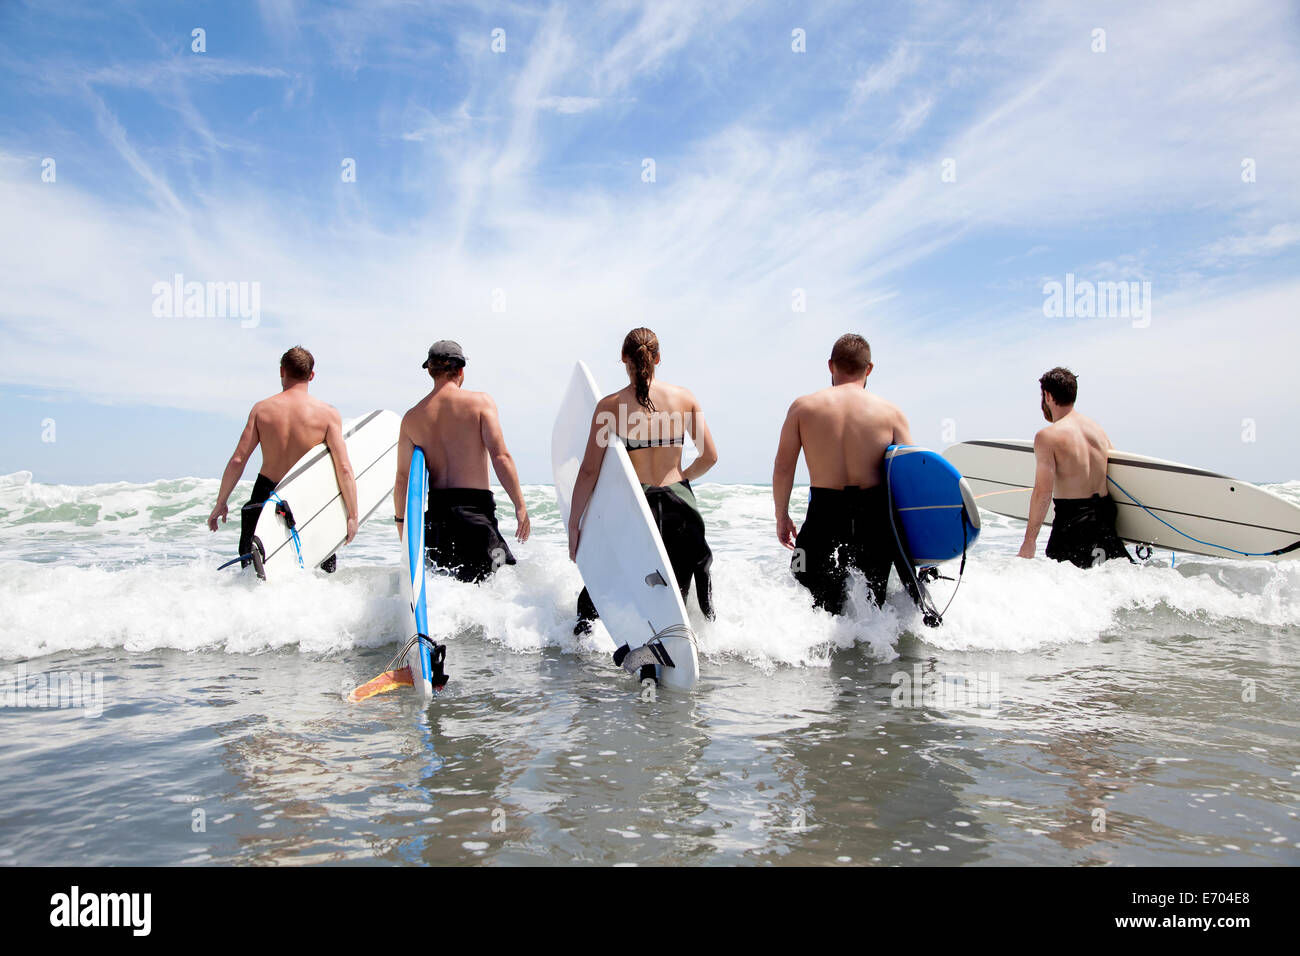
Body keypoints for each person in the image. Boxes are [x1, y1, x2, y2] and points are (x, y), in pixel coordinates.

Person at [567, 328, 719, 644]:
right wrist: (681, 478)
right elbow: (710, 456)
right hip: (683, 512)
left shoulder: (609, 407)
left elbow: (588, 472)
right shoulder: (685, 398)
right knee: (676, 603)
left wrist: (574, 523)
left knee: (596, 598)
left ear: (624, 358)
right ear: (658, 358)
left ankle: (586, 665)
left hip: (640, 512)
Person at [773, 333, 918, 615]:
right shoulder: (890, 413)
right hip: (874, 518)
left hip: (823, 514)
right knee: (874, 604)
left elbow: (783, 466)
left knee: (808, 591)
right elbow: (911, 474)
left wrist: (782, 515)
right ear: (869, 368)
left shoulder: (803, 407)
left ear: (831, 365)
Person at [207, 346, 358, 571]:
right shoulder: (327, 414)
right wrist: (352, 515)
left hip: (266, 492)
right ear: (311, 375)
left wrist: (221, 503)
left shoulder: (262, 410)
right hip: (307, 495)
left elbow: (238, 460)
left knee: (254, 569)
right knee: (320, 572)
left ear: (282, 371)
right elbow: (344, 468)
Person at [394, 340, 529, 582]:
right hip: (476, 517)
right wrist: (520, 505)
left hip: (436, 520)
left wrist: (401, 523)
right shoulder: (480, 403)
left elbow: (403, 478)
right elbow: (500, 456)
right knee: (500, 580)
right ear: (460, 370)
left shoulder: (411, 418)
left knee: (448, 588)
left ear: (429, 371)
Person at [1018, 367, 1133, 568]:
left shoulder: (1047, 436)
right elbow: (1118, 476)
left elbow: (1043, 493)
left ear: (1047, 395)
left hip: (1074, 521)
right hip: (1105, 516)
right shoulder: (1097, 430)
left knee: (1066, 586)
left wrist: (1029, 542)